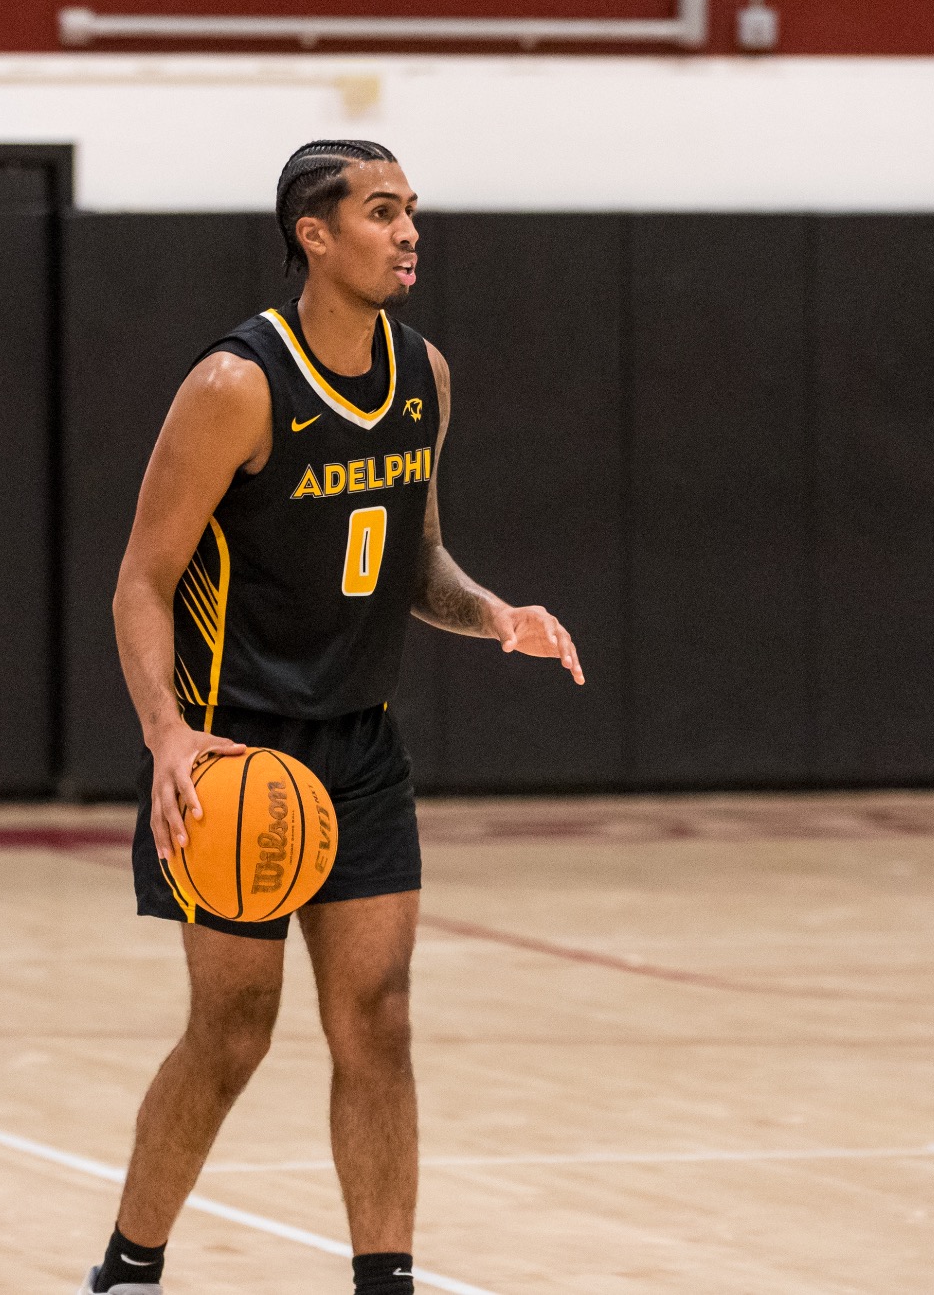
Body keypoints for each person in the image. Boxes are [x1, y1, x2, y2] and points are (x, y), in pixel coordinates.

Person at [85, 141, 585, 1295]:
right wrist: (163, 731)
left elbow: (414, 561)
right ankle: (127, 1265)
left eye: (410, 209)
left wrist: (492, 613)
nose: (408, 230)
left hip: (358, 747)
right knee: (233, 1030)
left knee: (381, 1018)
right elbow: (140, 580)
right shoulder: (235, 385)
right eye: (379, 210)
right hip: (230, 750)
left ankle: (384, 1278)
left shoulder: (425, 376)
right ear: (312, 234)